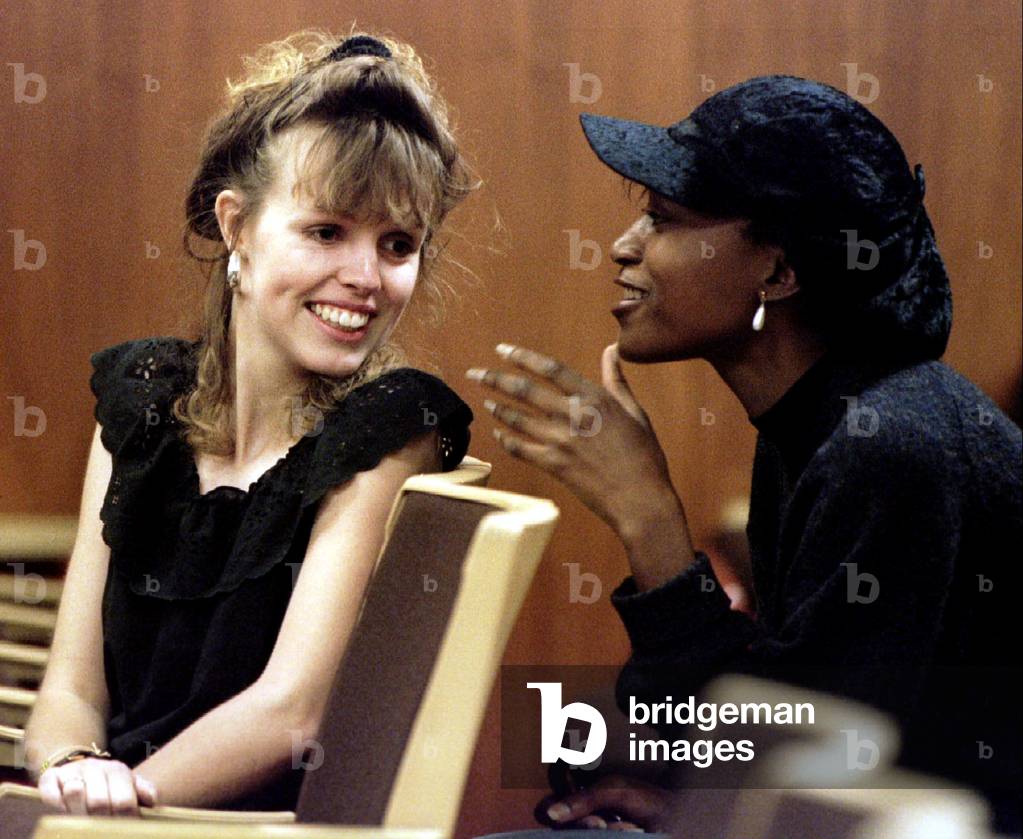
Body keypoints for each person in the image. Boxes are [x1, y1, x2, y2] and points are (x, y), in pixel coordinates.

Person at [467, 75, 1021, 832]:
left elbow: (805, 757)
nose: (623, 249)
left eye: (662, 219)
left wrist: (648, 515)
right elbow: (775, 726)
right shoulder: (821, 424)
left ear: (779, 270)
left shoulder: (890, 445)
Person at [23, 29, 475, 815]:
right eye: (326, 231)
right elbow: (69, 689)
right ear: (236, 227)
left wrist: (116, 801)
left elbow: (290, 713)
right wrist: (70, 763)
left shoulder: (393, 422)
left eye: (397, 245)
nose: (366, 278)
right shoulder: (142, 400)